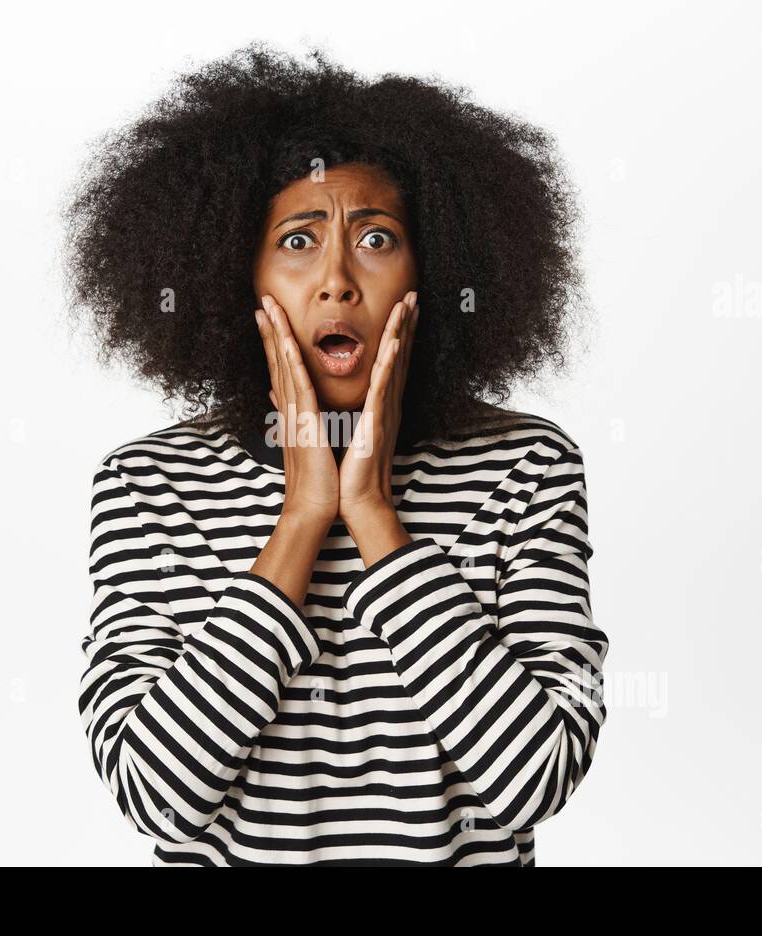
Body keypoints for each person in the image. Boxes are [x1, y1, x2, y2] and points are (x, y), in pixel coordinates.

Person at [65, 42, 609, 865]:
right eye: (296, 241)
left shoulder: (525, 467)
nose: (336, 281)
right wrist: (303, 515)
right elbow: (157, 794)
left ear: (438, 268)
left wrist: (374, 518)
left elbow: (536, 776)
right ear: (232, 272)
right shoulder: (149, 485)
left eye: (379, 239)